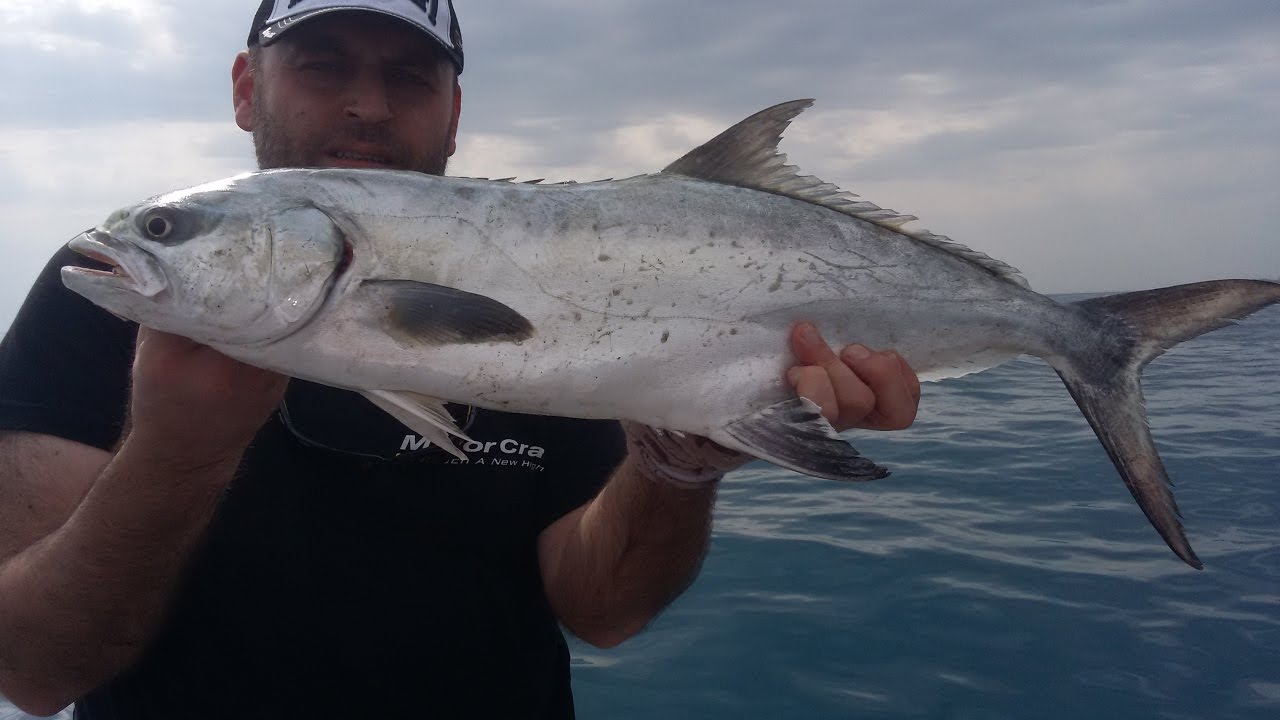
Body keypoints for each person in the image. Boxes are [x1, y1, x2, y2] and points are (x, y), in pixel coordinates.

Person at [0, 1, 921, 717]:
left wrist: (675, 462)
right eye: (323, 67)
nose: (366, 105)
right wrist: (176, 452)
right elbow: (31, 672)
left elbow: (601, 609)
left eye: (410, 77)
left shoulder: (558, 266)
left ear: (454, 115)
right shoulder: (102, 302)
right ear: (247, 87)